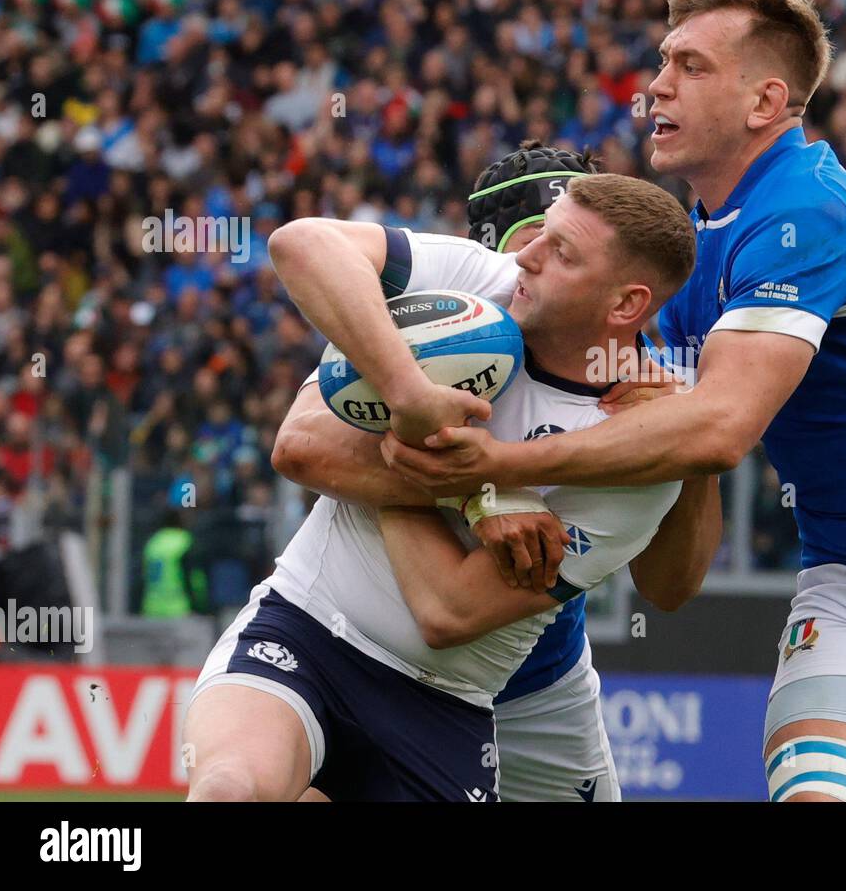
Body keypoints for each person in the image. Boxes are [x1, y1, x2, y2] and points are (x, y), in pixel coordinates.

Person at [381, 0, 846, 802]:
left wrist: (491, 472)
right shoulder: (692, 252)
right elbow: (673, 578)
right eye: (662, 62)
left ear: (765, 103)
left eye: (691, 67)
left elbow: (721, 428)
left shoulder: (805, 212)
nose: (656, 87)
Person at [183, 172, 720, 801]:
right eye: (541, 233)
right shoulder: (467, 286)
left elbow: (449, 612)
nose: (526, 255)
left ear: (626, 305)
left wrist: (437, 464)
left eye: (562, 253)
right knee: (230, 788)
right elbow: (301, 433)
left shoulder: (637, 447)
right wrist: (429, 428)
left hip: (442, 702)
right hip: (305, 627)